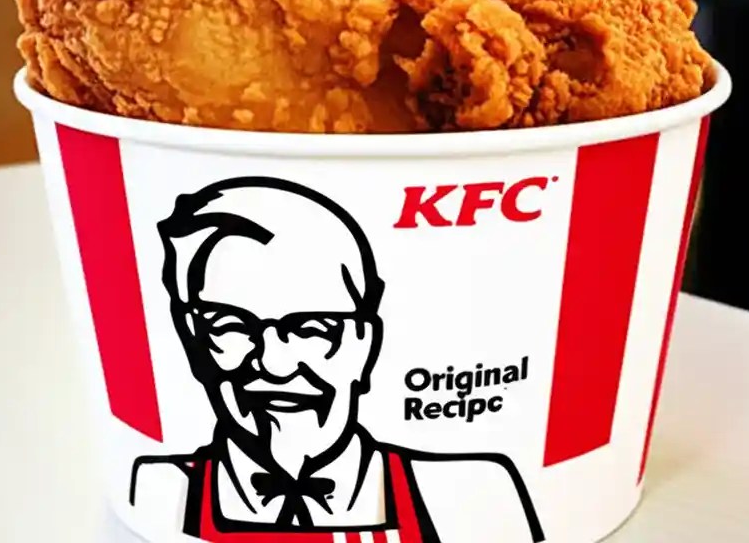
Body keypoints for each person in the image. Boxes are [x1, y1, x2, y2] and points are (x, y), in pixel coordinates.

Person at [130, 177, 544, 542]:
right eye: (230, 326)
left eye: (312, 329)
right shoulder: (162, 488)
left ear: (364, 344)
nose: (275, 364)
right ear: (192, 341)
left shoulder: (469, 492)